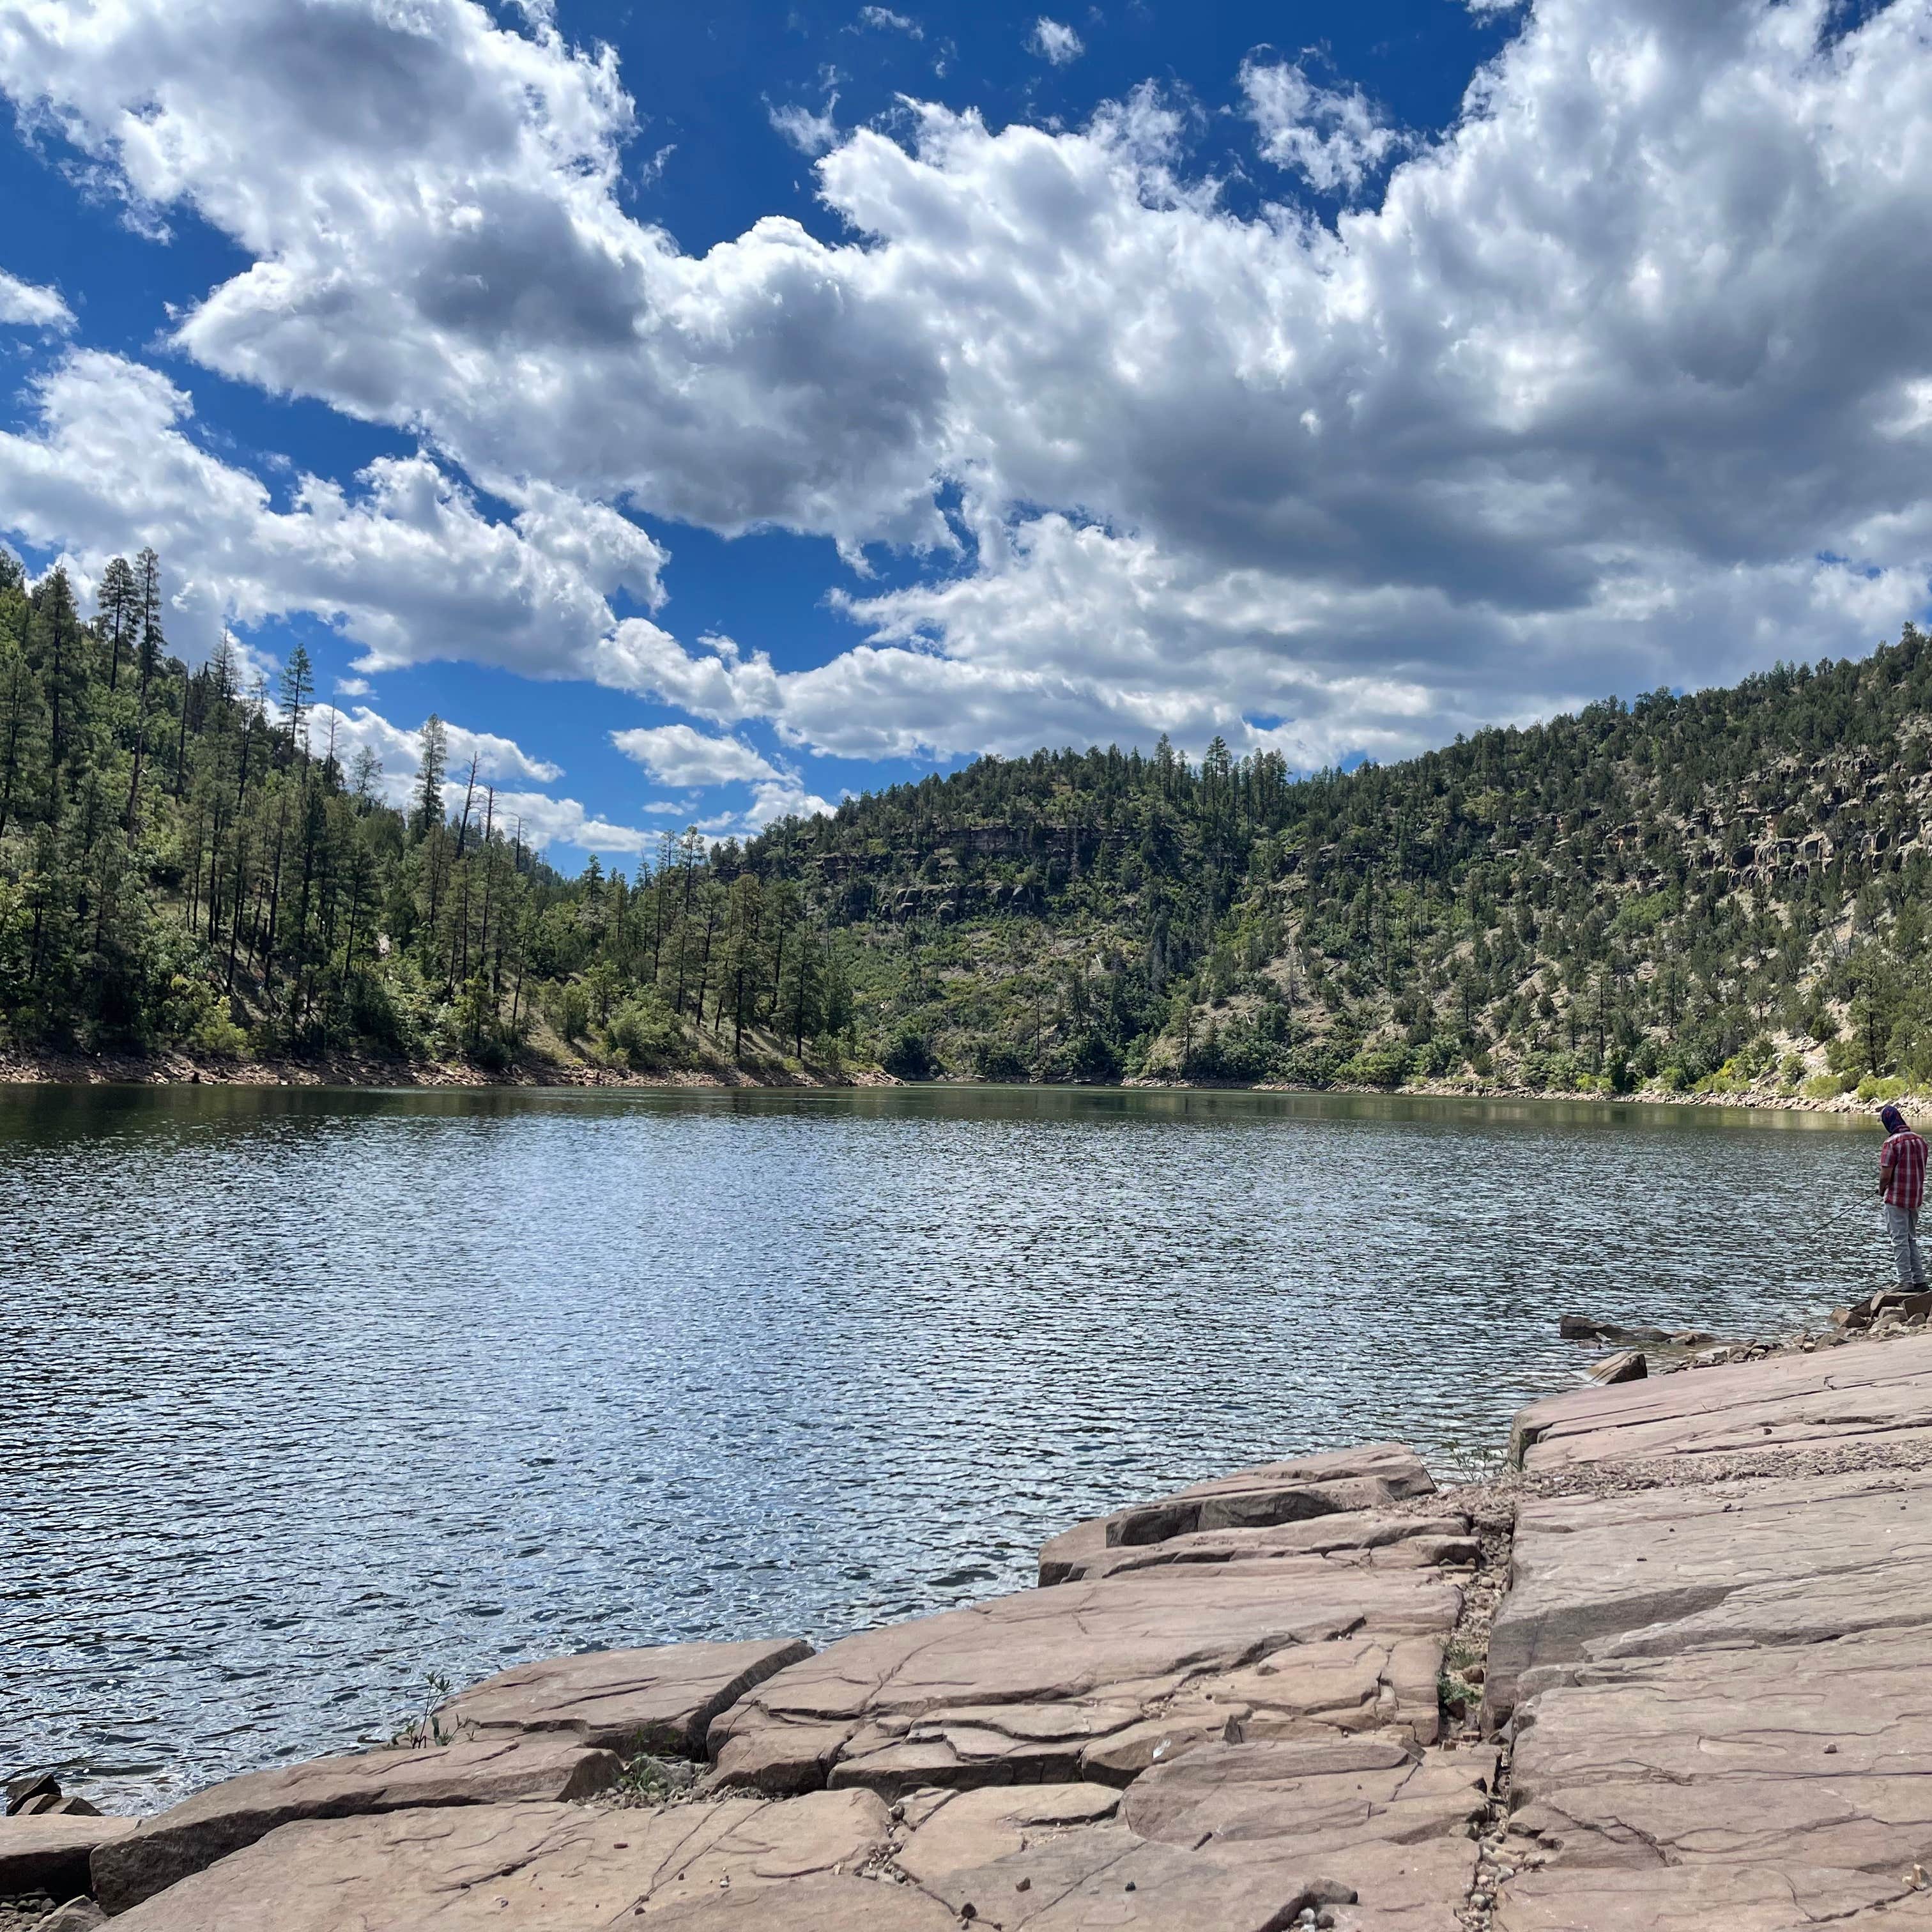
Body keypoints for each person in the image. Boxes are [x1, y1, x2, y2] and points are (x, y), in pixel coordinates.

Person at [1877, 1104, 1928, 1291]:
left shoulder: (1891, 1143)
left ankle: (1905, 1281)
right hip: (1915, 1199)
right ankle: (1920, 1281)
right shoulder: (1920, 1141)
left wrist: (1881, 1190)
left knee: (1899, 1240)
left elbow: (1885, 1175)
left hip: (1896, 1199)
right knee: (1910, 1239)